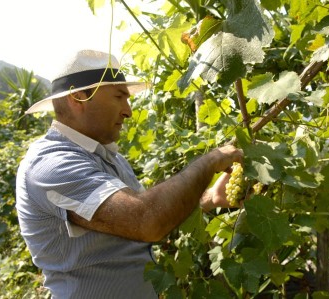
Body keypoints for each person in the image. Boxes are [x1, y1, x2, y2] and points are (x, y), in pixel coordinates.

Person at [15, 49, 243, 298]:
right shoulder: (50, 165)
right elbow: (146, 221)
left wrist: (209, 198)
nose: (128, 110)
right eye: (119, 97)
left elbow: (141, 217)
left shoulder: (112, 159)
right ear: (79, 98)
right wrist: (209, 162)